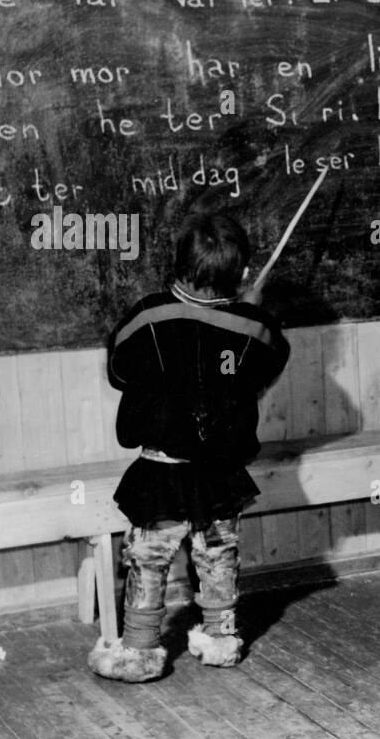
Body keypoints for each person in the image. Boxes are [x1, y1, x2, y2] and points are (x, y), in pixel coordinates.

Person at [88, 213, 289, 683]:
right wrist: (250, 310)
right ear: (241, 276)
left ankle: (139, 652)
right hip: (220, 472)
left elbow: (119, 368)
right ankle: (220, 639)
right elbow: (268, 361)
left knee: (147, 558)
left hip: (161, 470)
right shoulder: (254, 327)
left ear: (176, 264)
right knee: (218, 553)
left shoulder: (145, 316)